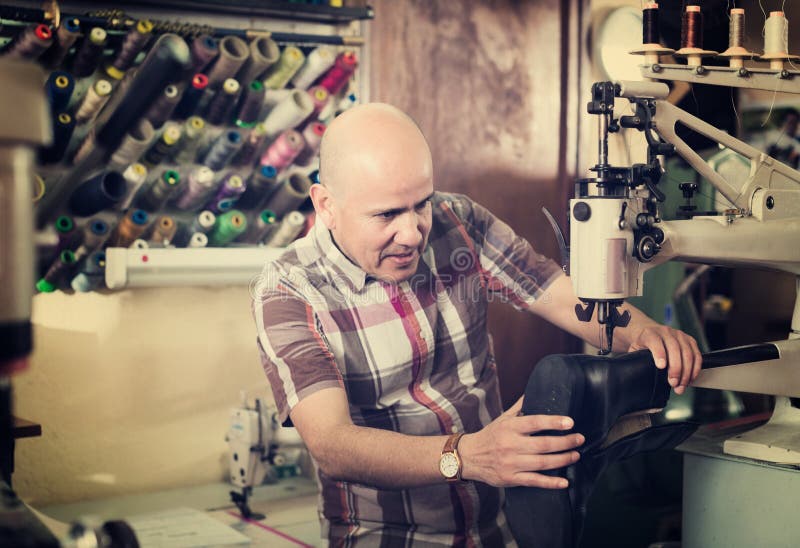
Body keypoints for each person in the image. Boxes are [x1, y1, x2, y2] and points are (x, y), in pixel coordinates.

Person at [251, 103, 702, 546]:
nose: (412, 233)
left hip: (498, 527)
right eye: (386, 214)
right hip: (388, 536)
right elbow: (332, 445)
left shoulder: (456, 220)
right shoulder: (288, 291)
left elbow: (553, 290)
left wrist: (642, 332)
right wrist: (465, 456)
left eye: (420, 204)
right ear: (326, 205)